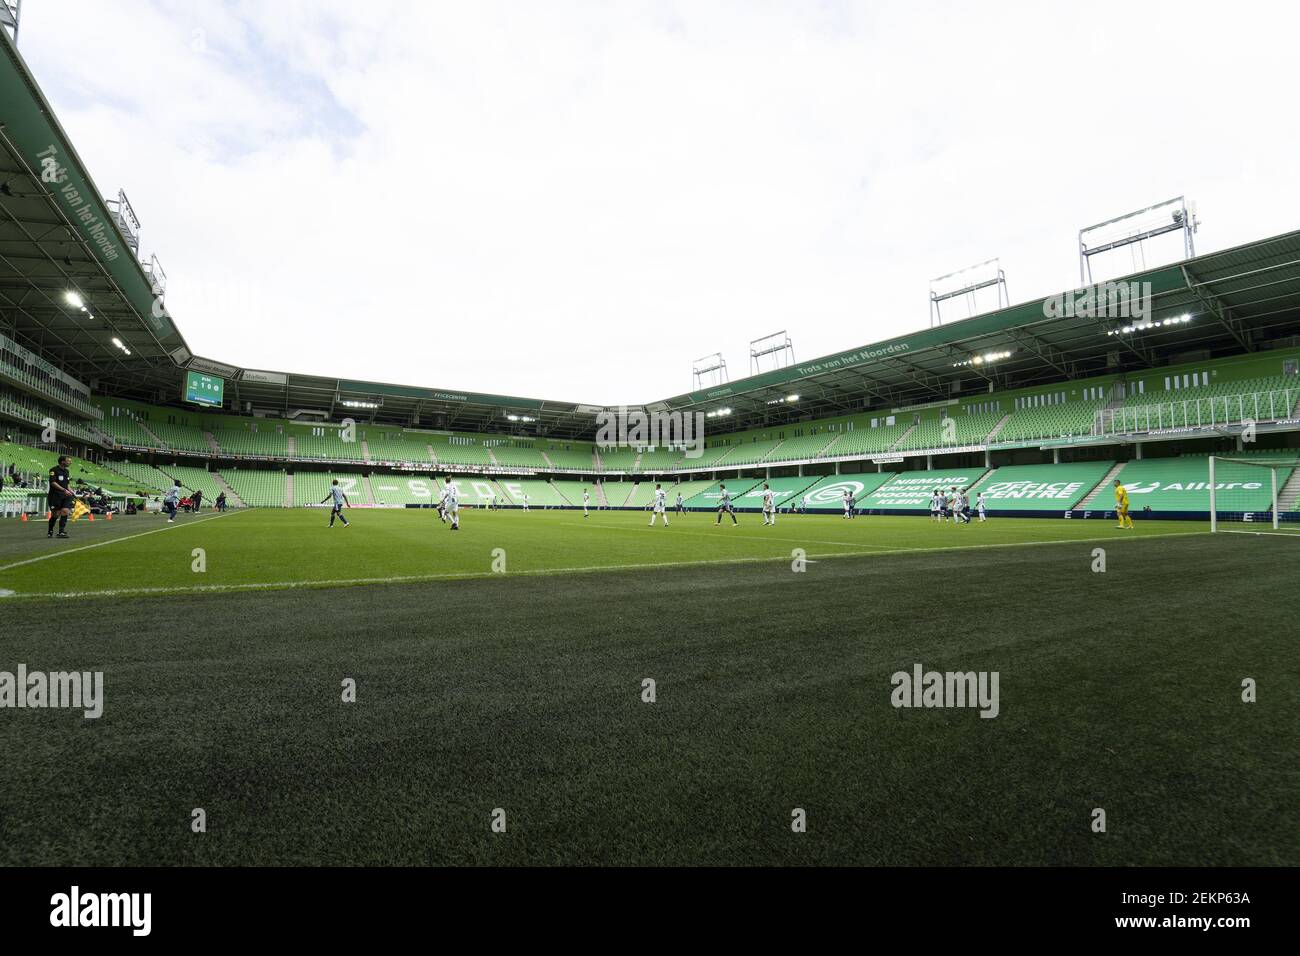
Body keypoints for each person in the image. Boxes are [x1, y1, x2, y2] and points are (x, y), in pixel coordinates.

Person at [45, 454, 74, 539]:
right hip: (55, 496)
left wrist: (71, 491)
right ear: (62, 461)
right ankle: (50, 531)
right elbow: (53, 483)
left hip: (65, 495)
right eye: (68, 461)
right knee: (56, 514)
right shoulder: (53, 470)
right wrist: (64, 490)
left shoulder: (66, 471)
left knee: (65, 511)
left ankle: (61, 531)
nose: (70, 463)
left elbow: (67, 484)